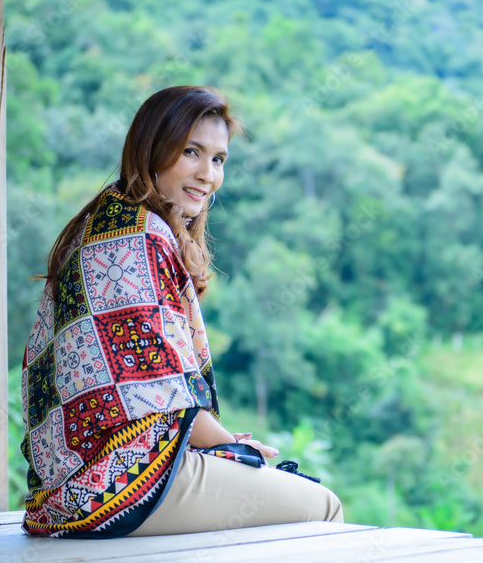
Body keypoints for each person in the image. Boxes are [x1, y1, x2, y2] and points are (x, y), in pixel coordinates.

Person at [20, 85, 343, 538]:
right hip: (118, 485)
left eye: (219, 159)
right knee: (323, 506)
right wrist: (231, 446)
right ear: (152, 148)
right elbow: (161, 395)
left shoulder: (110, 220)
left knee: (268, 492)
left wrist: (224, 444)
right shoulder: (138, 239)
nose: (208, 174)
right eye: (191, 152)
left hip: (79, 486)